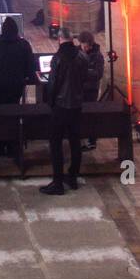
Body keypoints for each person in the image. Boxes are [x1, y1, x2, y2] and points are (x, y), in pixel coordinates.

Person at [40, 38, 90, 195]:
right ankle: (73, 177)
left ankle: (58, 182)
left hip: (61, 106)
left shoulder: (58, 57)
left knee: (55, 143)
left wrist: (50, 101)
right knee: (75, 141)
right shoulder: (82, 56)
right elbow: (84, 78)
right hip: (76, 105)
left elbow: (53, 83)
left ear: (61, 41)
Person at [0, 15, 35, 104]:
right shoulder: (24, 44)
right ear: (16, 30)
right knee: (14, 103)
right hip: (17, 86)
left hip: (0, 84)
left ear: (2, 30)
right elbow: (30, 68)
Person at [78, 30, 106, 150]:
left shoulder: (97, 55)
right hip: (79, 88)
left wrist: (84, 72)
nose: (84, 48)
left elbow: (98, 74)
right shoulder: (77, 51)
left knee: (90, 114)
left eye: (86, 46)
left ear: (91, 44)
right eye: (82, 45)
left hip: (91, 89)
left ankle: (91, 140)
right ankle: (81, 136)